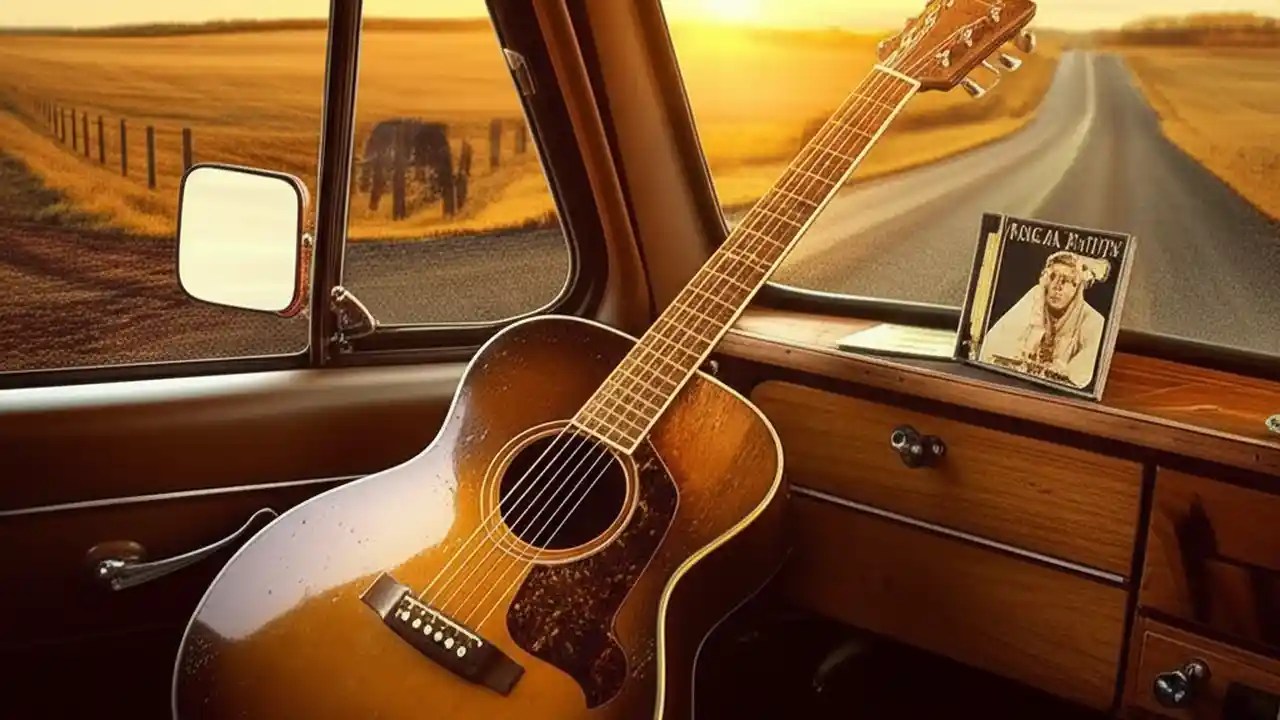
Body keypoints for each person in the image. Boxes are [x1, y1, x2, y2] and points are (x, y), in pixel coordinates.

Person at [979, 251, 1109, 388]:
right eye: (1052, 277)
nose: (1056, 287)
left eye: (1066, 280)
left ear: (1078, 288)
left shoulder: (1093, 321)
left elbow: (1079, 377)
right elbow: (992, 348)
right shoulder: (1035, 300)